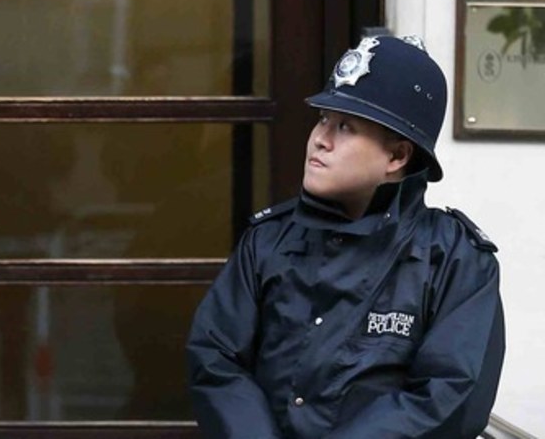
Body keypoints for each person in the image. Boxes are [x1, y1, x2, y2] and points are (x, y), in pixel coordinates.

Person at [186, 35, 505, 438]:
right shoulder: (267, 241)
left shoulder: (457, 261)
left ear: (397, 156)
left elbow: (452, 392)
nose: (320, 139)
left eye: (345, 126)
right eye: (322, 119)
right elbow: (216, 358)